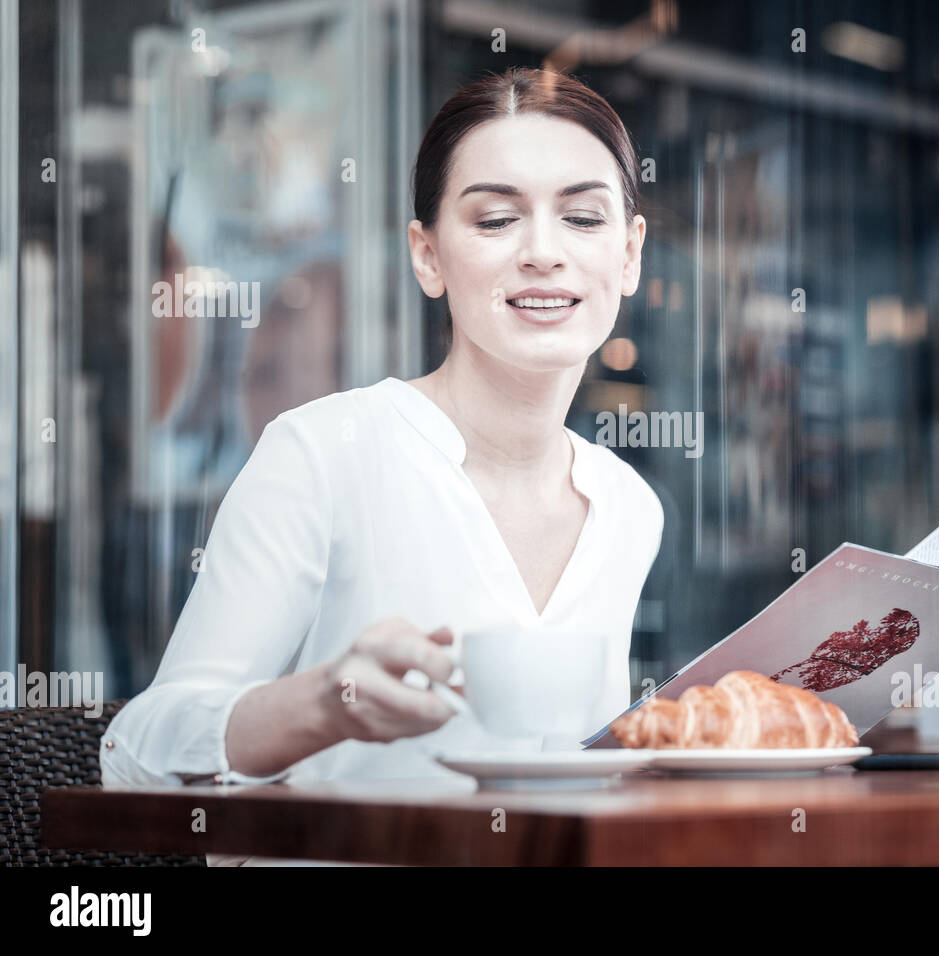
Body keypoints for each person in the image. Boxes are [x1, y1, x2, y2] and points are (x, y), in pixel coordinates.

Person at [100, 67, 663, 865]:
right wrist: (325, 704)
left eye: (582, 217)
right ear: (427, 256)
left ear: (630, 255)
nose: (544, 253)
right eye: (497, 219)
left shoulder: (629, 507)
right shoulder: (323, 455)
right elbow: (132, 756)